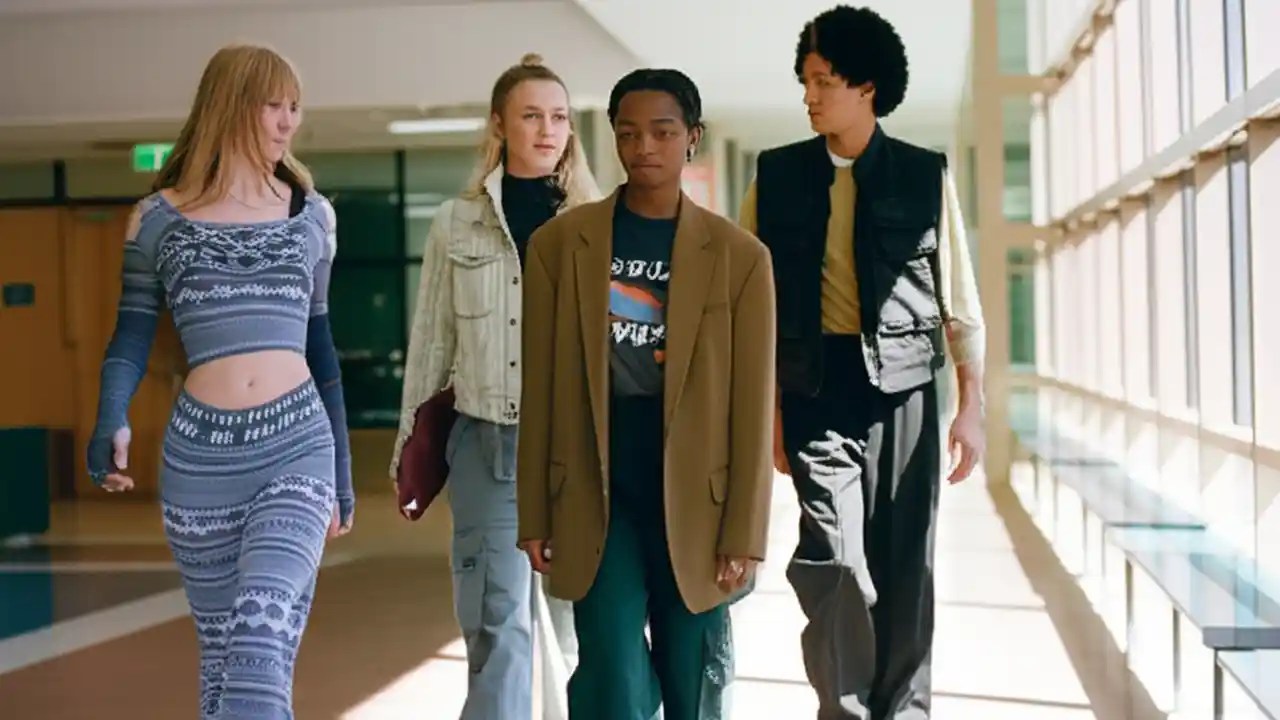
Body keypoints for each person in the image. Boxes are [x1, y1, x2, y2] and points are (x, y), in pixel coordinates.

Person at [85, 44, 353, 719]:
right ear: (232, 105)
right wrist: (110, 418)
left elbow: (322, 349)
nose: (290, 121)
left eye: (296, 106)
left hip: (297, 448)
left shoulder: (311, 217)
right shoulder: (156, 221)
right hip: (201, 462)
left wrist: (342, 474)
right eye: (275, 104)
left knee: (258, 652)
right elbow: (131, 336)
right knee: (226, 664)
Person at [740, 6, 987, 719]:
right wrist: (770, 419)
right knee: (834, 561)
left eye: (824, 81)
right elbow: (750, 309)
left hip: (907, 392)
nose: (810, 96)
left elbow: (960, 304)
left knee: (906, 568)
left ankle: (904, 712)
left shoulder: (924, 175)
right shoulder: (777, 176)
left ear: (867, 86)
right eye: (805, 81)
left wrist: (971, 407)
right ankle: (843, 710)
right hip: (816, 390)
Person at [516, 68, 777, 720]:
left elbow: (751, 404)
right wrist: (534, 511)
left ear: (692, 137)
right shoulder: (558, 247)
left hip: (698, 496)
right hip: (597, 486)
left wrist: (745, 530)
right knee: (611, 674)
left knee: (694, 676)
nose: (643, 148)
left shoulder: (739, 256)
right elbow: (541, 386)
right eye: (628, 134)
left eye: (662, 132)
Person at [390, 53, 598, 720]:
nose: (547, 130)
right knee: (496, 626)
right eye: (531, 116)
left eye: (560, 117)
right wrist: (407, 452)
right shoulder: (457, 222)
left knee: (578, 633)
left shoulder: (599, 223)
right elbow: (430, 345)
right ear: (499, 125)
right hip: (490, 443)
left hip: (583, 453)